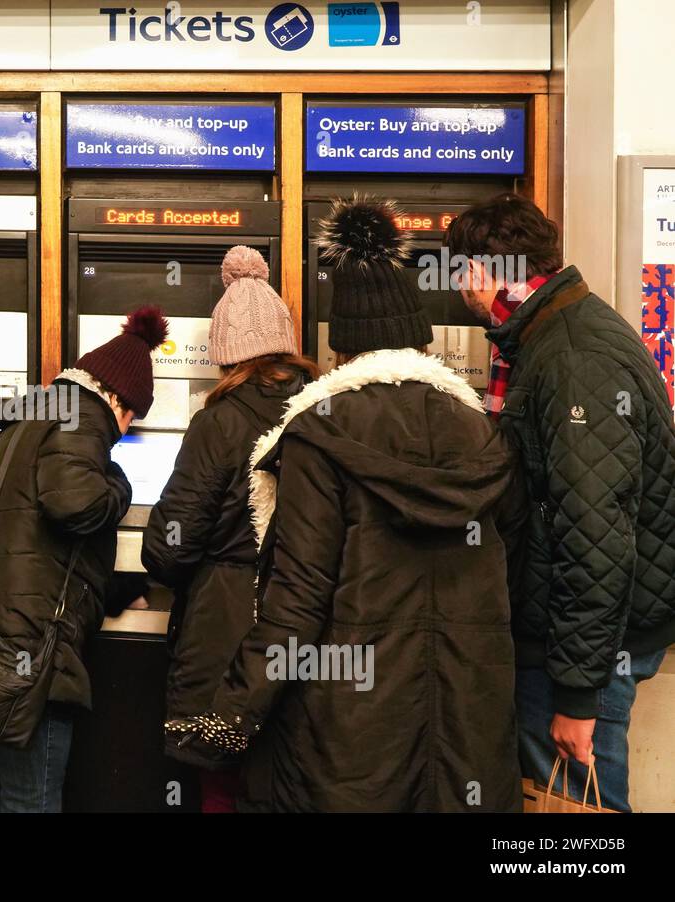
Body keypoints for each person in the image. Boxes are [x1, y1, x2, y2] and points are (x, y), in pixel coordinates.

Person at [166, 198, 525, 812]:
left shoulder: (320, 433)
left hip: (351, 741)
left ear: (343, 349)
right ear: (420, 337)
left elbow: (295, 604)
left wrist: (223, 723)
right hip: (470, 729)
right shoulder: (481, 432)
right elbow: (511, 569)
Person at [445, 192, 675, 811]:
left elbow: (594, 529)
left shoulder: (570, 355)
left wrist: (577, 695)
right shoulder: (553, 332)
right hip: (587, 631)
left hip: (588, 642)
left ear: (475, 271)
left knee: (575, 809)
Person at [0, 307, 166, 813]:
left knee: (23, 792)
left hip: (3, 631)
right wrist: (120, 485)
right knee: (33, 798)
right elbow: (75, 505)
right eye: (129, 416)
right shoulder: (83, 416)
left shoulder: (36, 414)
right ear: (114, 397)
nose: (125, 429)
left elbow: (41, 543)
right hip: (33, 651)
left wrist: (111, 591)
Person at [141, 245, 317, 813]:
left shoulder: (218, 422)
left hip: (228, 622)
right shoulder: (323, 412)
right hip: (309, 623)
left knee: (221, 774)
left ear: (228, 355)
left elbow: (174, 543)